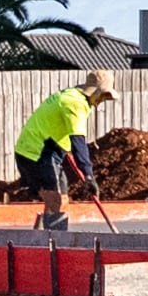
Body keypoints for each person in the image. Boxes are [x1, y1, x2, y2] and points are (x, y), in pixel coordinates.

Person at [9, 71, 118, 230]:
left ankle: (41, 240)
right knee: (55, 200)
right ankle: (54, 246)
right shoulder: (75, 104)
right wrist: (88, 175)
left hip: (49, 151)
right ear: (94, 91)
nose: (102, 100)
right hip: (37, 153)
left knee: (61, 199)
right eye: (103, 95)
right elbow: (78, 141)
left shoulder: (74, 96)